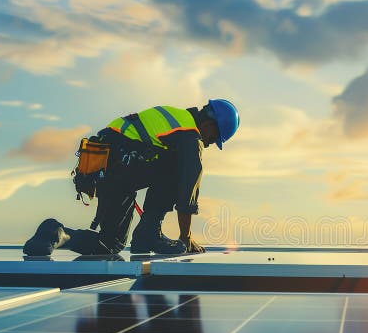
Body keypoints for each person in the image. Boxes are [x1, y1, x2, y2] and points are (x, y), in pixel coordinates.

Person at [23, 99, 239, 256]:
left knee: (110, 244)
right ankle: (149, 232)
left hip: (110, 168)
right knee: (185, 166)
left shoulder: (175, 117)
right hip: (123, 163)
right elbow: (189, 187)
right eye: (213, 139)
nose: (208, 143)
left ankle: (56, 234)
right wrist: (186, 237)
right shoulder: (189, 135)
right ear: (210, 125)